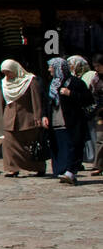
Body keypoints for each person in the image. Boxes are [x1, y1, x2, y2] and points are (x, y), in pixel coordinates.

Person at [44, 56, 90, 185]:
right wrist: (44, 116)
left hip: (72, 122)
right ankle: (62, 171)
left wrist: (71, 94)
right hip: (56, 122)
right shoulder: (52, 84)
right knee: (59, 147)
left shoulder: (75, 83)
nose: (49, 69)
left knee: (73, 147)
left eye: (51, 67)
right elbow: (47, 103)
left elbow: (87, 99)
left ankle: (70, 172)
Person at [0, 59, 45, 177]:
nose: (7, 75)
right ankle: (12, 168)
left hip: (26, 118)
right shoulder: (4, 83)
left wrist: (37, 116)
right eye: (4, 73)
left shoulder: (29, 81)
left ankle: (38, 166)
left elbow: (36, 100)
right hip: (9, 119)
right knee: (9, 144)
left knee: (30, 145)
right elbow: (1, 102)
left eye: (8, 72)